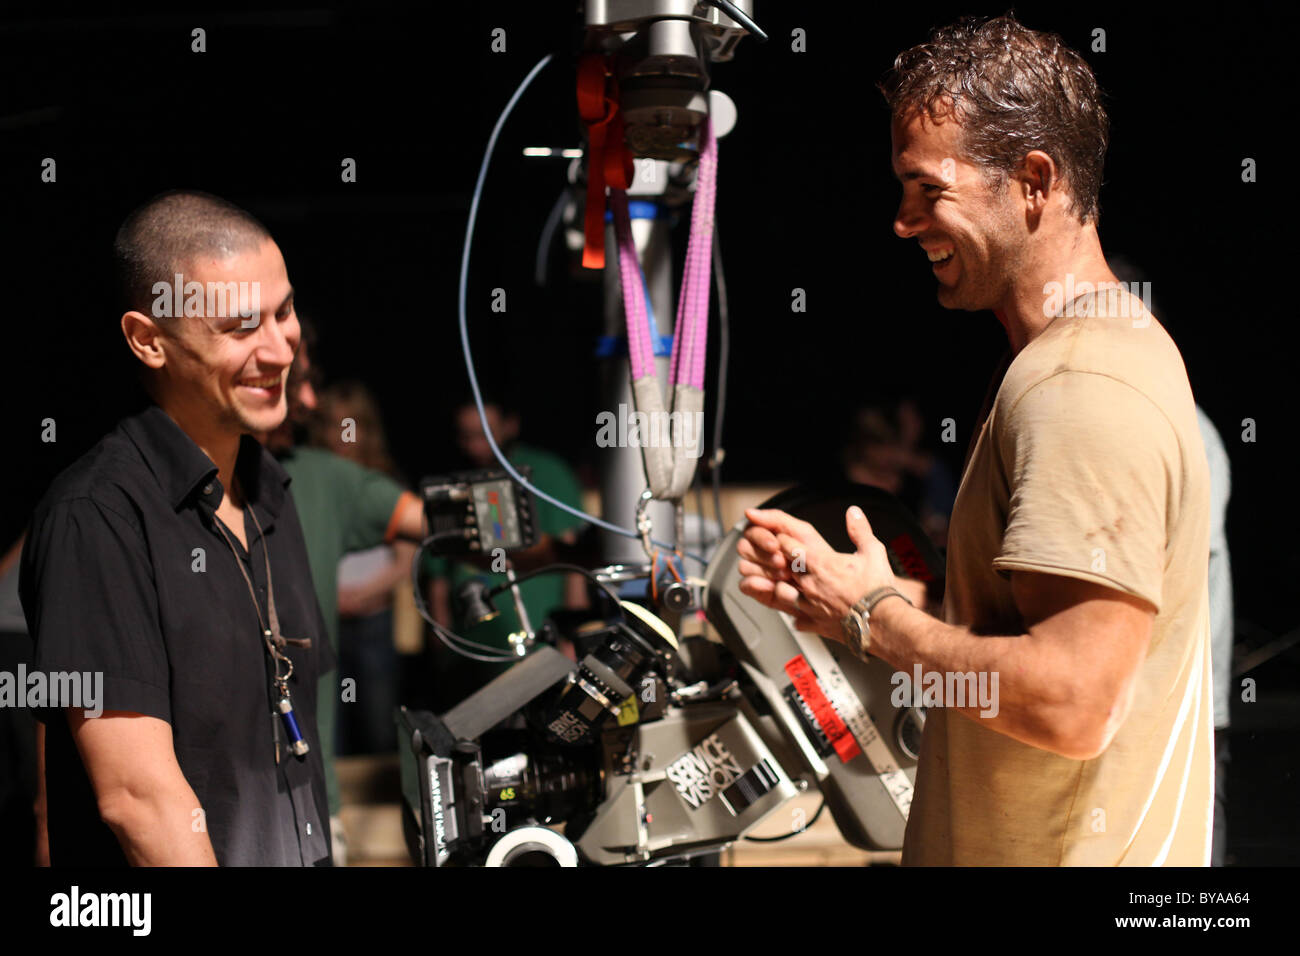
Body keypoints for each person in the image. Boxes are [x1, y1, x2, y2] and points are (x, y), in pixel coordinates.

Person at [736, 14, 1214, 865]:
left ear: (1033, 180)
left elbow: (1069, 701)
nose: (902, 221)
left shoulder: (1081, 389)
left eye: (929, 190)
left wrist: (874, 619)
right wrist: (864, 604)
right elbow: (1023, 644)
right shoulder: (1096, 355)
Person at [20, 189, 334, 865]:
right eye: (241, 328)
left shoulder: (270, 493)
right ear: (148, 339)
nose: (280, 349)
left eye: (284, 312)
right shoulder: (96, 517)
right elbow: (139, 801)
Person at [254, 322, 425, 865]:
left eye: (309, 384)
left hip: (308, 803)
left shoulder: (327, 478)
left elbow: (431, 528)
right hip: (224, 810)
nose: (307, 401)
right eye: (291, 382)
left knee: (368, 709)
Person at [426, 398, 588, 711]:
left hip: (541, 644)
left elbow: (573, 561)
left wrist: (573, 633)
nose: (475, 446)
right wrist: (441, 641)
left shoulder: (546, 475)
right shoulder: (451, 485)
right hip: (474, 652)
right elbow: (438, 573)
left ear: (508, 426)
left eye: (485, 433)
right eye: (467, 435)